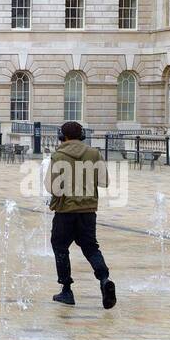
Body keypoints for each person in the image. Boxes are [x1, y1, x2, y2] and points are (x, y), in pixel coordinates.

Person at [47, 121, 116, 309]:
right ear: (82, 135)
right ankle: (104, 279)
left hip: (65, 211)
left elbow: (52, 187)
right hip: (88, 211)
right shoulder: (94, 154)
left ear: (63, 137)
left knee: (60, 246)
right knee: (91, 247)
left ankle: (67, 289)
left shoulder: (58, 155)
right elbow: (104, 182)